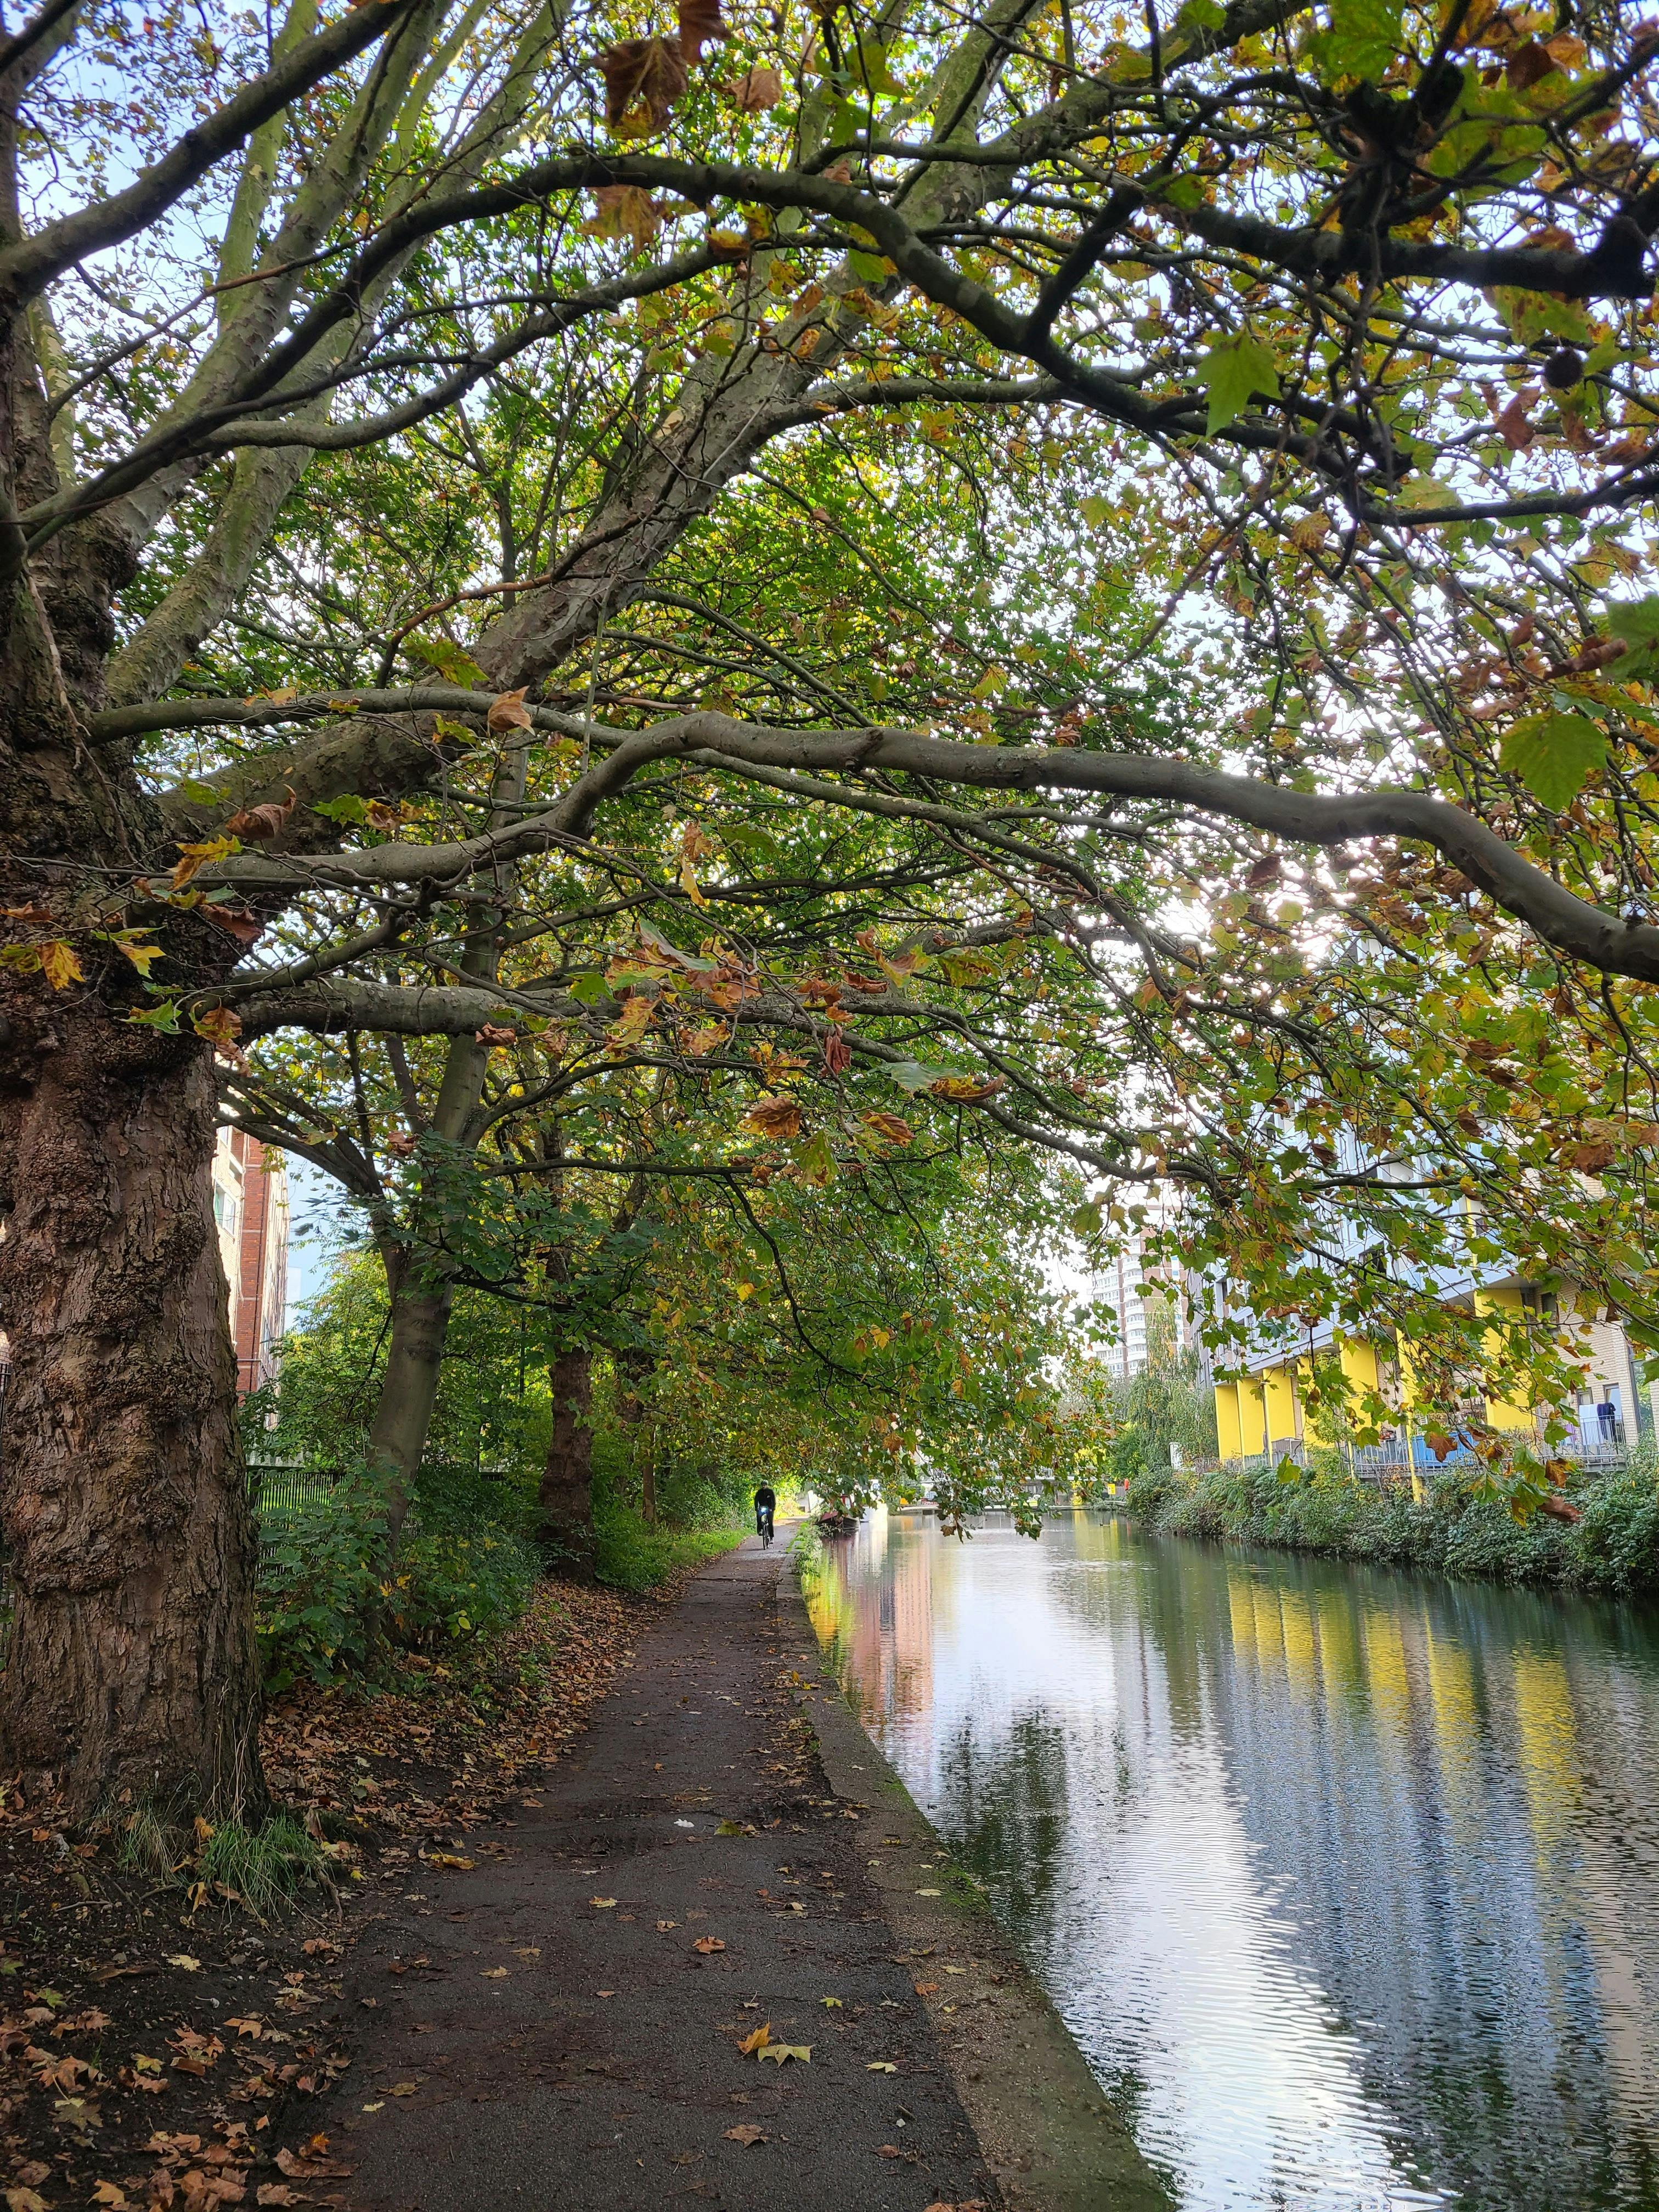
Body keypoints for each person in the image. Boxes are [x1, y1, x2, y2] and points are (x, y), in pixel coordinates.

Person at [754, 1483, 776, 1547]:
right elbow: (756, 1500)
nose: (764, 1486)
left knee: (770, 1522)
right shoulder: (759, 1492)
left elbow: (773, 1500)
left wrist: (773, 1508)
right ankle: (760, 1530)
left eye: (765, 1485)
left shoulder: (770, 1492)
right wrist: (757, 1508)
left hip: (769, 1509)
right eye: (763, 1485)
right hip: (762, 1507)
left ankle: (771, 1537)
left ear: (767, 1485)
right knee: (759, 1516)